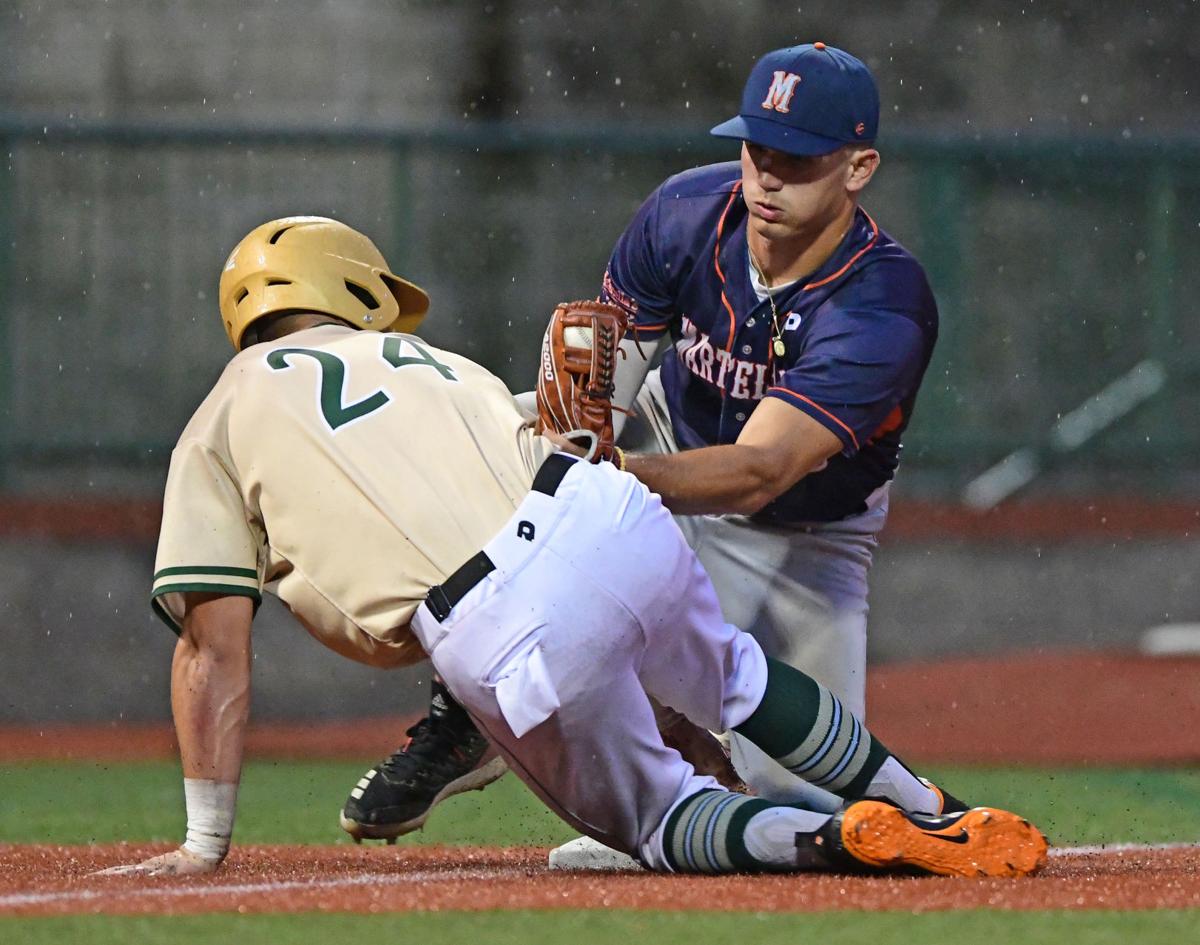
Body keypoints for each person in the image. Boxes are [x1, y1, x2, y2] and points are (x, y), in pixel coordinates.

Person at [101, 217, 1045, 879]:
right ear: (351, 290)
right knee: (737, 677)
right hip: (605, 509)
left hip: (497, 624)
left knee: (658, 819)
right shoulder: (440, 364)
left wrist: (203, 840)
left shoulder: (219, 420)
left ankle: (831, 839)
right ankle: (927, 801)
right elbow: (557, 441)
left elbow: (210, 646)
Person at [341, 42, 941, 849]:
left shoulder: (882, 301)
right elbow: (603, 380)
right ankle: (464, 712)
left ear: (858, 167)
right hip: (668, 431)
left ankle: (694, 783)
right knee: (493, 439)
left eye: (797, 159)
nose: (766, 175)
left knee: (812, 810)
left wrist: (609, 475)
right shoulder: (687, 212)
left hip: (802, 535)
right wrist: (569, 451)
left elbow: (761, 471)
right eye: (757, 148)